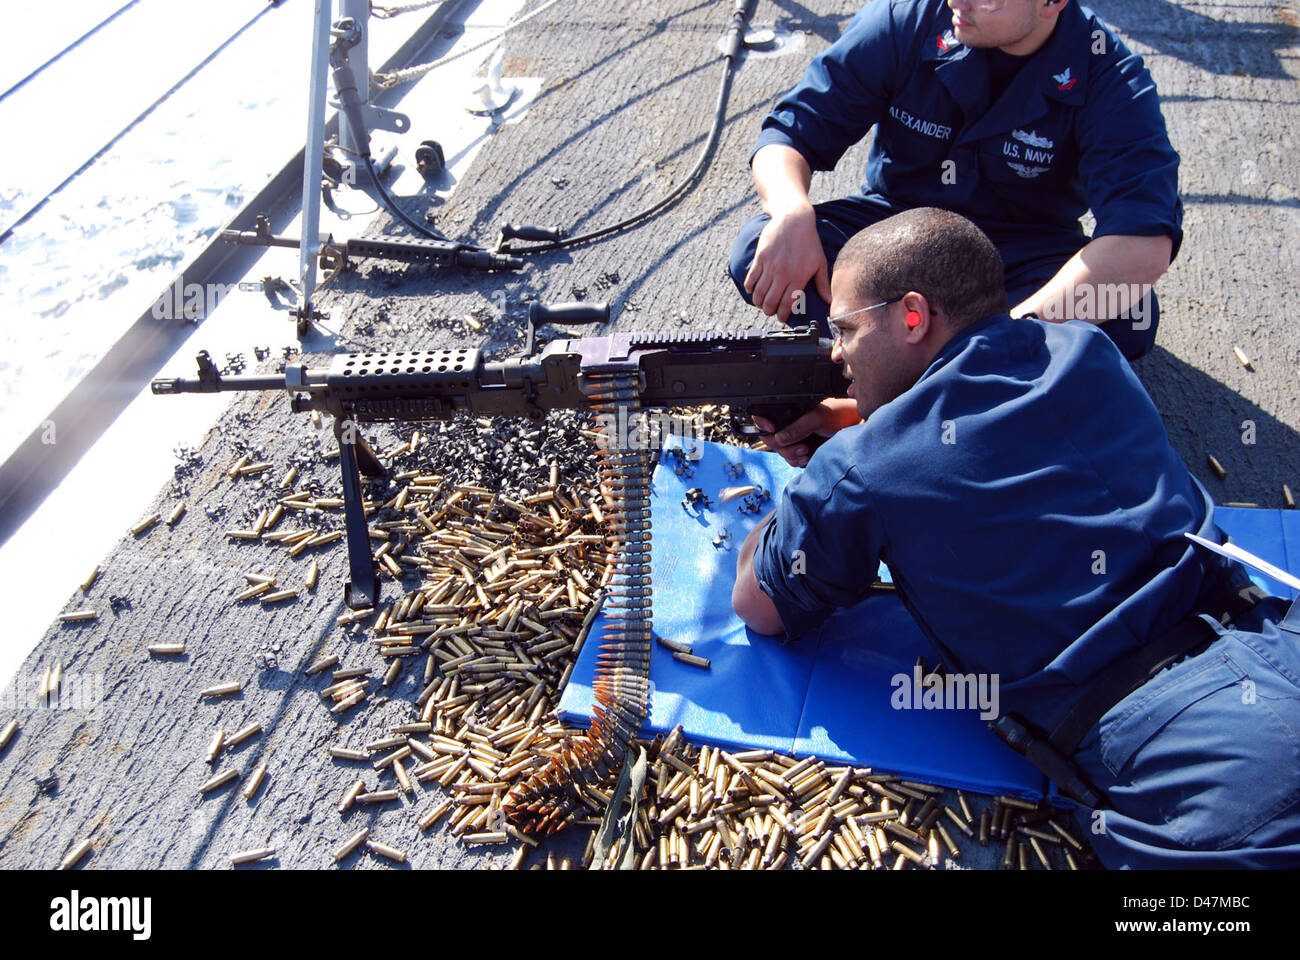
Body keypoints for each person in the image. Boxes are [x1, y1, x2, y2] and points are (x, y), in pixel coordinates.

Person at [731, 207, 1300, 867]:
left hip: (1197, 772)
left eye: (847, 329)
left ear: (912, 316)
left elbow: (758, 603)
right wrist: (871, 427)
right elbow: (979, 411)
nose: (837, 353)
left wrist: (812, 486)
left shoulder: (862, 468)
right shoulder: (1086, 348)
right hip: (1265, 638)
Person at [729, 0, 1181, 362]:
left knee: (1128, 314)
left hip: (1022, 256)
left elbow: (1142, 241)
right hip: (900, 233)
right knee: (761, 250)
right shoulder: (906, 17)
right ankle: (972, 375)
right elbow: (789, 134)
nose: (957, 2)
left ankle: (888, 356)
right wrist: (792, 210)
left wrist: (1015, 330)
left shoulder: (1108, 72)